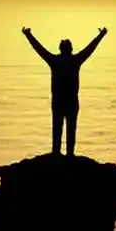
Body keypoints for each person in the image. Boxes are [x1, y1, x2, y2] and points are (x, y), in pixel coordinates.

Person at [22, 26, 108, 156]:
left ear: (61, 49)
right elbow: (90, 48)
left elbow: (39, 49)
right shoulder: (70, 61)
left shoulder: (60, 61)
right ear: (70, 50)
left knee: (61, 130)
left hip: (63, 102)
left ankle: (61, 154)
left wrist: (28, 35)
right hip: (66, 102)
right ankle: (65, 154)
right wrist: (101, 35)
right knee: (66, 131)